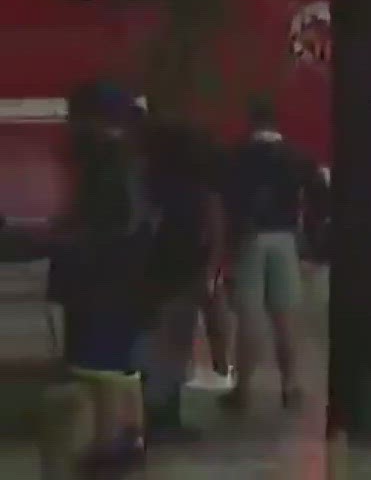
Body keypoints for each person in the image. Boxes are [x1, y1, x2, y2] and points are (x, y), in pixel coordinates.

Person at [46, 79, 152, 474]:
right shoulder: (129, 158)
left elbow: (99, 228)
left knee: (98, 369)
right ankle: (129, 437)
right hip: (124, 280)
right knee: (120, 367)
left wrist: (64, 243)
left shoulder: (104, 163)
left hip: (103, 283)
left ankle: (107, 450)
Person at [220, 101, 327, 414]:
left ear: (251, 121)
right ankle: (290, 385)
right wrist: (311, 235)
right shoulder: (297, 157)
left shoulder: (237, 157)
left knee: (249, 318)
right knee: (285, 317)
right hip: (285, 237)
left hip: (250, 239)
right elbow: (320, 195)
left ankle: (243, 389)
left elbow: (227, 200)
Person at [135, 106, 226, 443]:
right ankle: (165, 417)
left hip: (152, 273)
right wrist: (208, 271)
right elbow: (211, 227)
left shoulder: (146, 179)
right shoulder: (196, 186)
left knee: (151, 345)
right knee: (175, 347)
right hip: (185, 272)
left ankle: (150, 414)